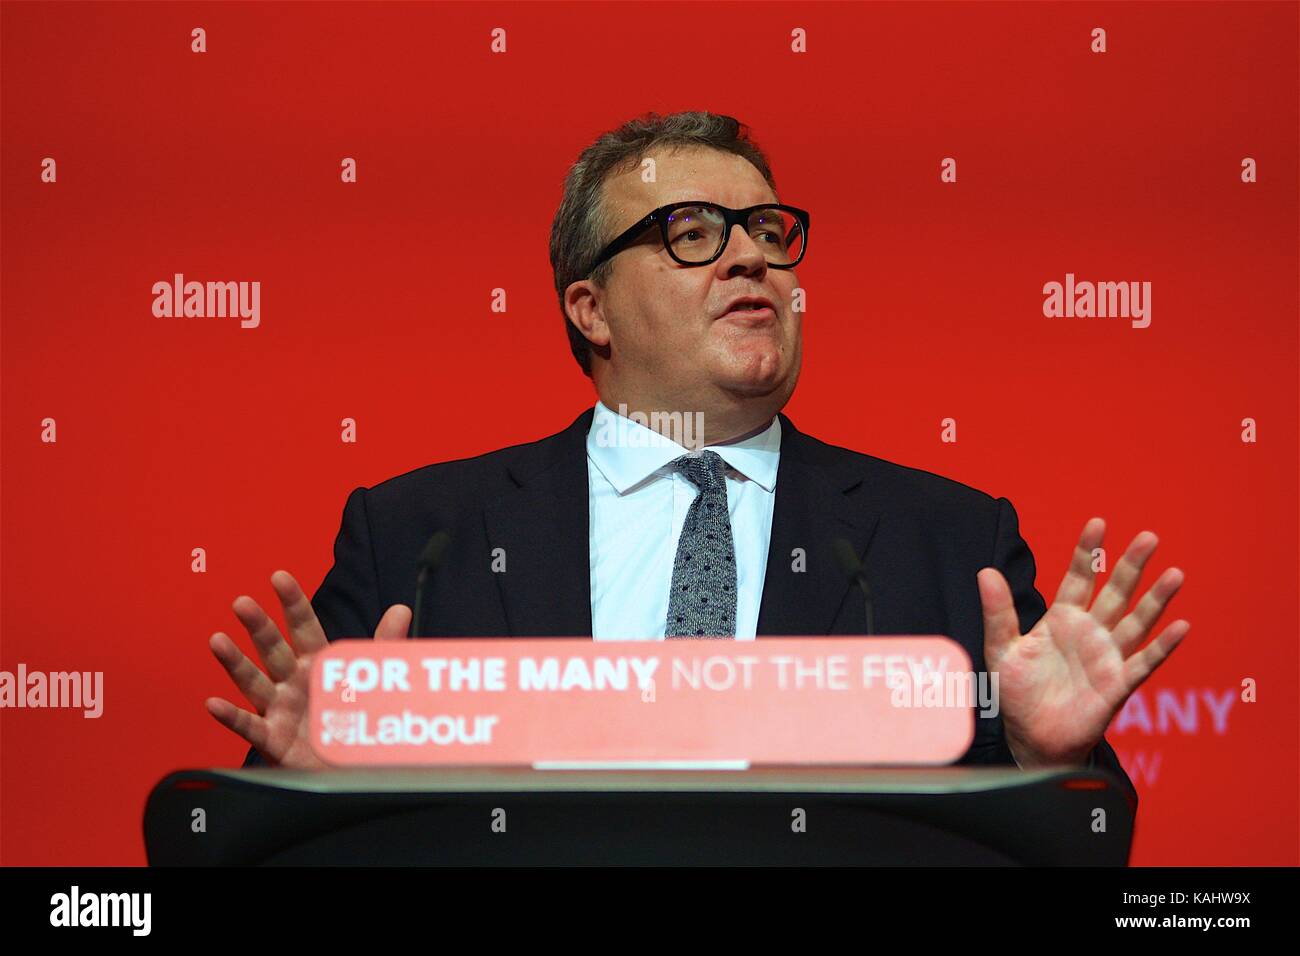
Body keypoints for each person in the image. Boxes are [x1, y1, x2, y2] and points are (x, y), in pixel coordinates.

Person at [206, 112, 1188, 798]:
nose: (751, 256)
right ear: (588, 308)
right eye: (691, 233)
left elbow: (1062, 850)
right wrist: (317, 798)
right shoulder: (422, 535)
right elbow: (271, 842)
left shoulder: (948, 538)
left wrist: (1042, 753)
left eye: (768, 230)